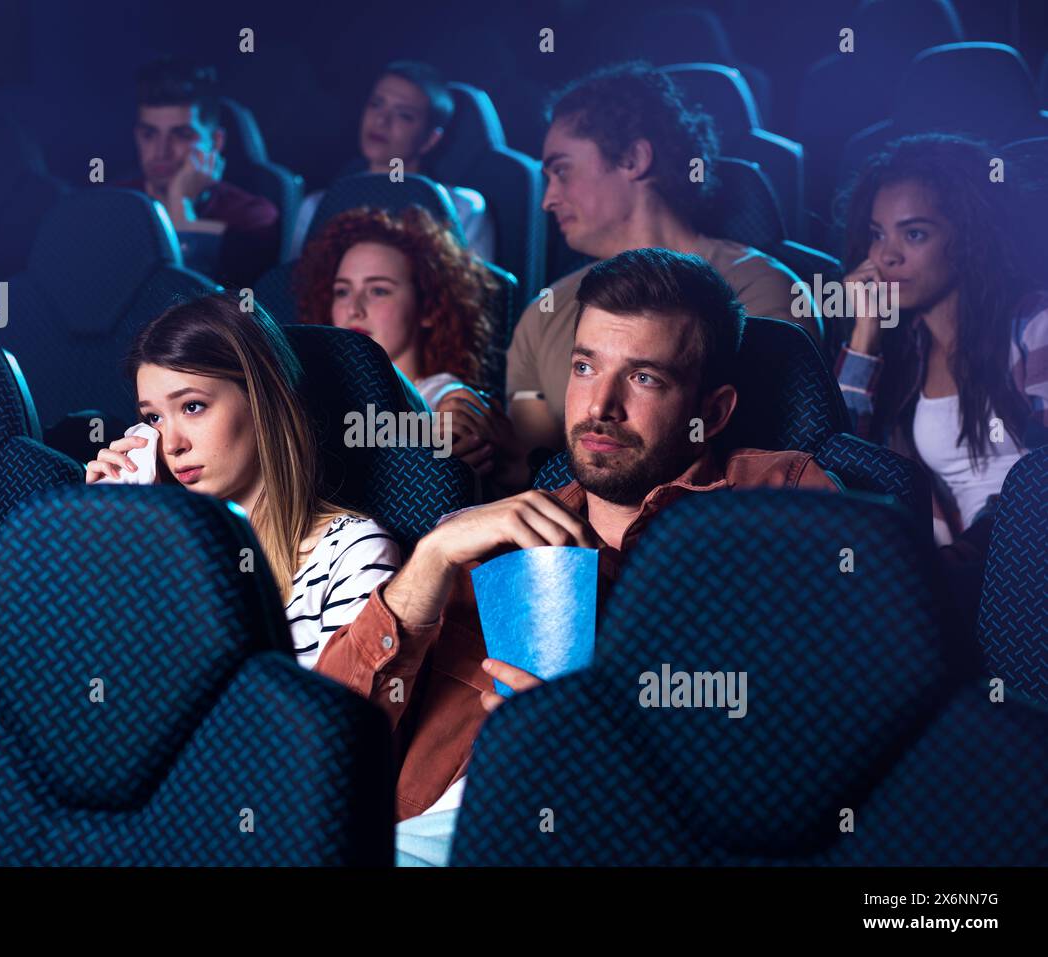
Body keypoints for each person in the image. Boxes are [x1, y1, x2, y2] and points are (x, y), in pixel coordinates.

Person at [314, 249, 840, 845]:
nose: (598, 407)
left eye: (644, 377)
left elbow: (826, 735)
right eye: (585, 367)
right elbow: (320, 755)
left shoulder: (777, 501)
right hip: (432, 838)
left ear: (712, 413)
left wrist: (611, 745)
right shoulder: (492, 535)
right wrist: (429, 560)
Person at [505, 63, 821, 488]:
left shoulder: (760, 289)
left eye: (562, 170)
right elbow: (530, 469)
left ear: (633, 159)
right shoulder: (544, 312)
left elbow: (759, 453)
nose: (548, 200)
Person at [85, 293, 401, 669]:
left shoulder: (353, 553)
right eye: (154, 418)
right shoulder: (166, 565)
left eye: (192, 407)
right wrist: (107, 545)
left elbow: (327, 725)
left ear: (263, 401)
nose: (171, 444)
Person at [834, 134, 1048, 620]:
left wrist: (950, 565)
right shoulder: (903, 348)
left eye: (914, 234)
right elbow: (844, 464)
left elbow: (1044, 484)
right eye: (876, 233)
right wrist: (866, 331)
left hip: (1026, 573)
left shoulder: (1034, 326)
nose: (886, 257)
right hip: (944, 580)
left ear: (968, 237)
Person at [295, 205, 514, 480]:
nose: (354, 309)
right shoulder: (306, 394)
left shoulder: (446, 402)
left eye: (378, 290)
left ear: (429, 309)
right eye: (342, 291)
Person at [289, 60, 496, 262]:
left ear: (430, 139)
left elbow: (474, 293)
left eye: (404, 115)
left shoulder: (460, 210)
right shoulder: (320, 206)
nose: (381, 120)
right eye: (376, 104)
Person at [126, 59, 280, 288]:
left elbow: (187, 302)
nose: (161, 151)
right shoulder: (115, 203)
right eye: (149, 135)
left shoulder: (252, 217)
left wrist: (181, 203)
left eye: (182, 135)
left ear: (216, 142)